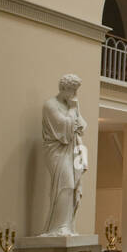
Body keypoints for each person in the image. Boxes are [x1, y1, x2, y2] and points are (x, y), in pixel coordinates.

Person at [42, 74, 88, 235]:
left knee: (73, 186)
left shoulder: (72, 104)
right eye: (72, 90)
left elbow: (81, 125)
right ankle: (58, 227)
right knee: (65, 184)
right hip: (56, 150)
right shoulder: (50, 105)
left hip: (72, 149)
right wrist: (73, 109)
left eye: (76, 90)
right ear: (63, 89)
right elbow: (62, 130)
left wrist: (75, 111)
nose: (75, 94)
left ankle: (67, 225)